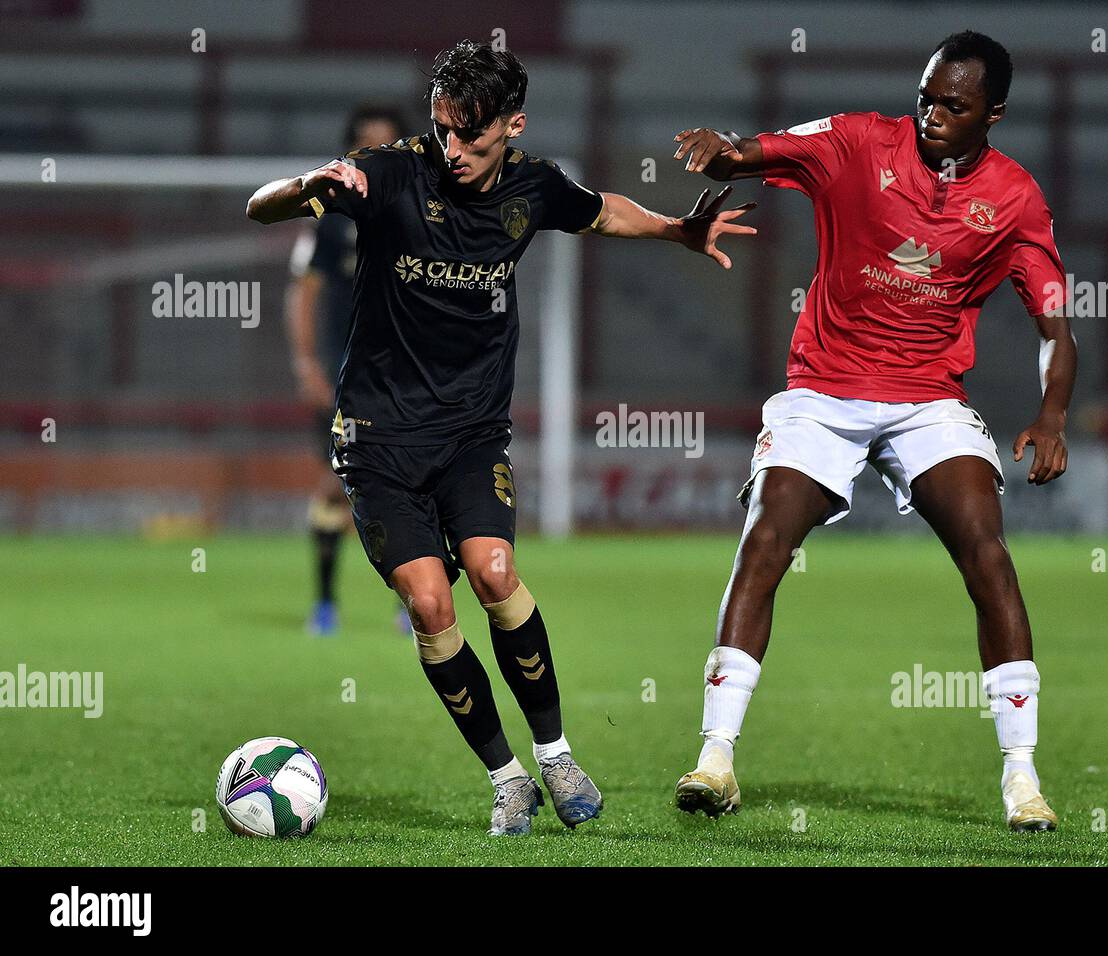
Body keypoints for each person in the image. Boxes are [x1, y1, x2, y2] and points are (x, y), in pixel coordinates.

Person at [248, 39, 756, 835]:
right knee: (428, 603)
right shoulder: (391, 172)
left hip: (470, 435)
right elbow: (261, 206)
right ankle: (507, 777)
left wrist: (675, 231)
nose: (452, 148)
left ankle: (556, 755)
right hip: (378, 438)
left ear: (512, 125)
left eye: (471, 134)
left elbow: (601, 209)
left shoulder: (533, 186)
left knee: (493, 571)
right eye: (443, 129)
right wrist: (309, 186)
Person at [671, 30, 1076, 832]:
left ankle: (1022, 778)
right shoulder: (859, 141)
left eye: (953, 105)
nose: (931, 114)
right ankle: (715, 758)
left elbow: (1056, 325)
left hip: (928, 399)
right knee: (765, 538)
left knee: (987, 553)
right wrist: (722, 153)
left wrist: (1053, 413)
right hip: (823, 391)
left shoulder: (1016, 199)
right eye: (925, 97)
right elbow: (755, 151)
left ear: (992, 114)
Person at [286, 105, 405, 637]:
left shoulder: (419, 210)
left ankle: (413, 604)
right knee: (335, 483)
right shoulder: (332, 217)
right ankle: (325, 604)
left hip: (405, 374)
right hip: (344, 371)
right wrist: (306, 362)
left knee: (408, 485)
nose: (375, 152)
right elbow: (304, 292)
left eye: (386, 142)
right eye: (365, 142)